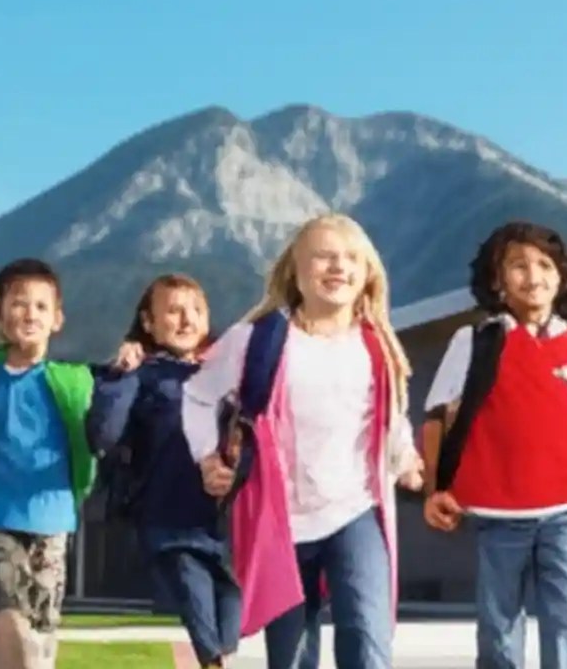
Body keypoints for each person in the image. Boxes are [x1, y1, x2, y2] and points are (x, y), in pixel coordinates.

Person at [174, 214, 423, 669]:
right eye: (323, 256)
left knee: (368, 638)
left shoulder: (375, 346)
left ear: (367, 274)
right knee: (291, 653)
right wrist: (208, 456)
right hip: (281, 518)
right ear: (295, 270)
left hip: (355, 508)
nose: (338, 267)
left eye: (351, 258)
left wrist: (405, 457)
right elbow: (197, 395)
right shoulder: (257, 341)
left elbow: (388, 415)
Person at [421, 221, 567, 669]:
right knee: (498, 631)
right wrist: (435, 489)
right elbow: (435, 421)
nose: (533, 276)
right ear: (497, 281)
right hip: (495, 516)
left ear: (561, 276)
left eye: (545, 265)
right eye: (518, 265)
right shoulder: (473, 342)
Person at [87, 273, 240, 668]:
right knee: (199, 612)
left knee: (228, 621)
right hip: (168, 519)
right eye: (173, 311)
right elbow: (103, 435)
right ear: (149, 323)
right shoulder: (143, 374)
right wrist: (119, 377)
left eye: (196, 310)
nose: (187, 320)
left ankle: (217, 657)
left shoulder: (226, 374)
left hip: (228, 523)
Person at [0, 258, 96, 669]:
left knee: (40, 642)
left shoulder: (74, 380)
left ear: (57, 319)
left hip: (52, 519)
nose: (29, 313)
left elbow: (106, 425)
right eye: (19, 303)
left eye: (41, 306)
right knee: (5, 622)